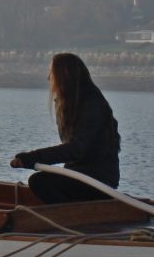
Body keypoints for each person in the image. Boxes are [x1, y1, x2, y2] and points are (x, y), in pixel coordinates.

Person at [10, 52, 120, 203]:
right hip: (79, 175)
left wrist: (33, 158)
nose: (48, 78)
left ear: (64, 76)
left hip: (99, 180)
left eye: (51, 73)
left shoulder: (92, 104)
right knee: (44, 182)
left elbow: (76, 149)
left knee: (39, 182)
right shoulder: (69, 103)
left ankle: (72, 215)